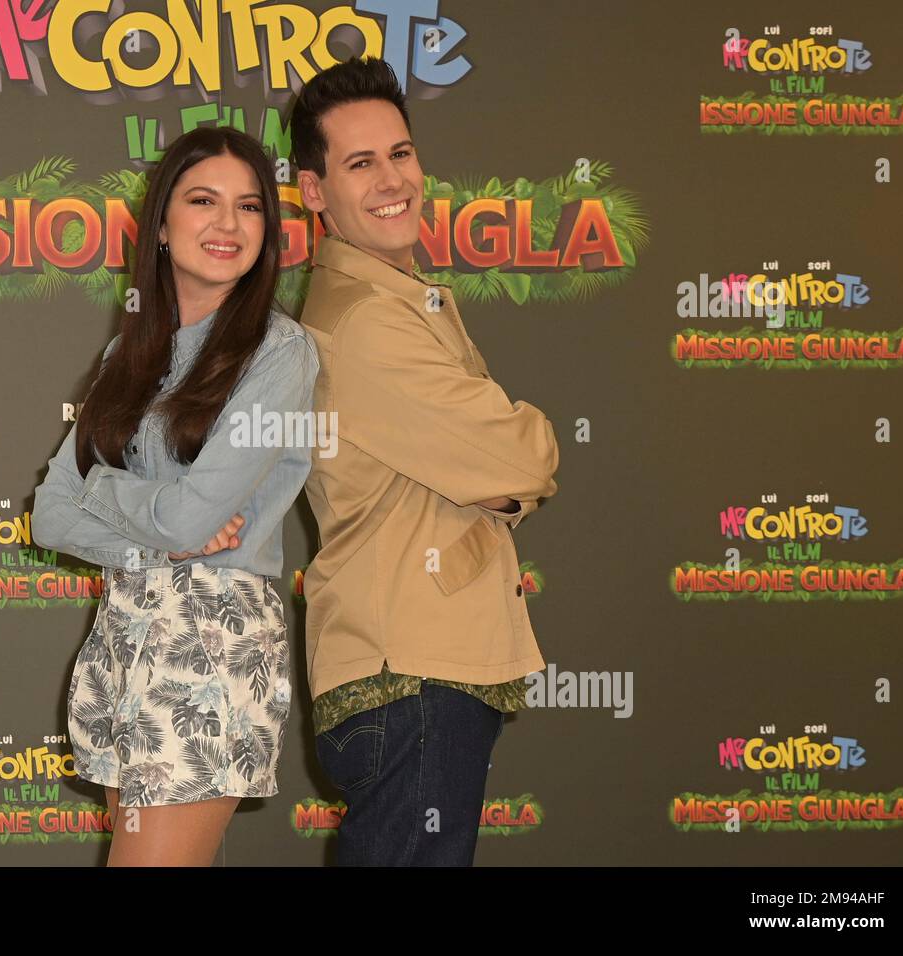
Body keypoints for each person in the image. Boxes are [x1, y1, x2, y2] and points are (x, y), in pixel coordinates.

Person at [289, 56, 560, 865]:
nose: (390, 179)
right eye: (359, 162)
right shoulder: (368, 323)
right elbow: (522, 455)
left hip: (411, 669)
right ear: (313, 190)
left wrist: (501, 476)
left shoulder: (400, 299)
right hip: (407, 675)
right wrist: (519, 461)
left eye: (399, 153)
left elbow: (497, 466)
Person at [30, 126, 320, 866]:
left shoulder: (279, 352)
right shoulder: (127, 354)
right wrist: (137, 531)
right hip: (124, 632)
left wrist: (102, 489)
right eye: (203, 200)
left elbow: (194, 515)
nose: (228, 224)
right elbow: (51, 513)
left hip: (211, 644)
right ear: (161, 224)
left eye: (249, 207)